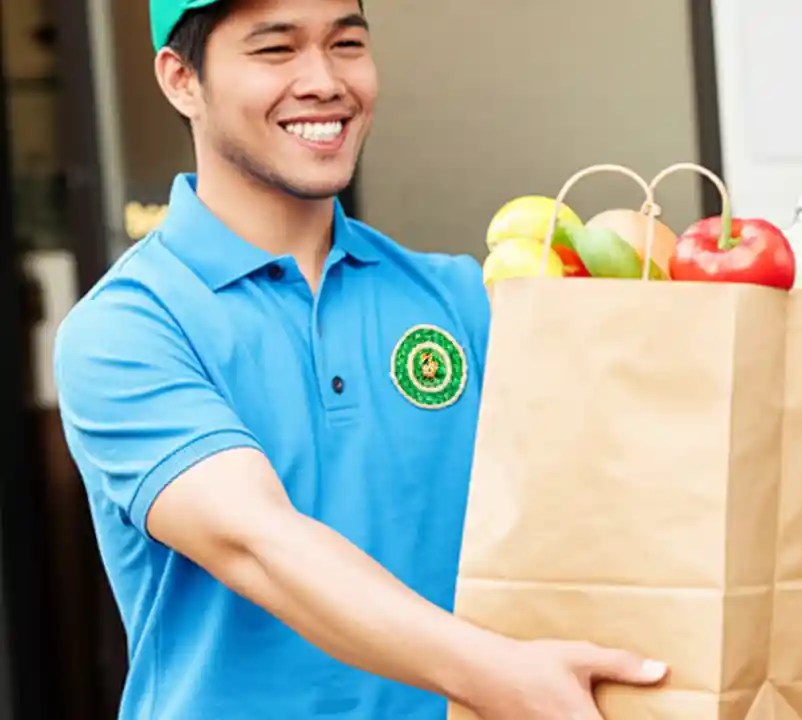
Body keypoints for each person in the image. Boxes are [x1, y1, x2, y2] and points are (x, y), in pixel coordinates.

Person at [52, 1, 668, 718]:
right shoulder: (129, 327)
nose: (324, 81)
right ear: (181, 79)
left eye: (346, 43)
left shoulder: (462, 297)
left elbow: (626, 490)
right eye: (276, 50)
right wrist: (492, 673)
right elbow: (257, 543)